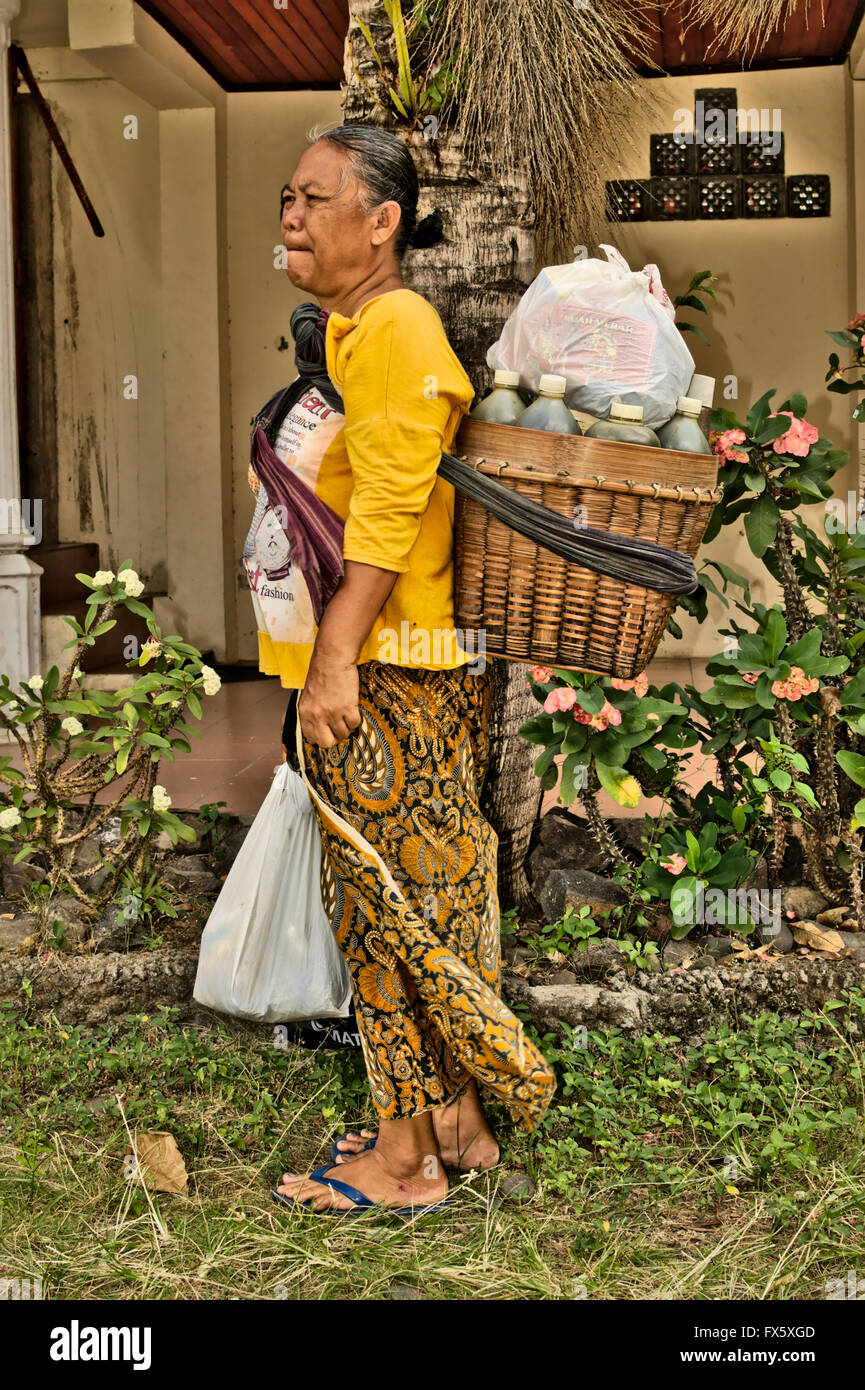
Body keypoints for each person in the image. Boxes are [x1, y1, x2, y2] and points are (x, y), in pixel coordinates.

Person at [252, 123, 555, 1215]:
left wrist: (333, 657)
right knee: (424, 892)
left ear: (381, 222)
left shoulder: (394, 324)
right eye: (286, 194)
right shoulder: (351, 329)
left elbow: (389, 499)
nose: (290, 213)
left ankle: (405, 1162)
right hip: (389, 661)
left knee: (384, 911)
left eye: (315, 197)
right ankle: (458, 1125)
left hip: (386, 664)